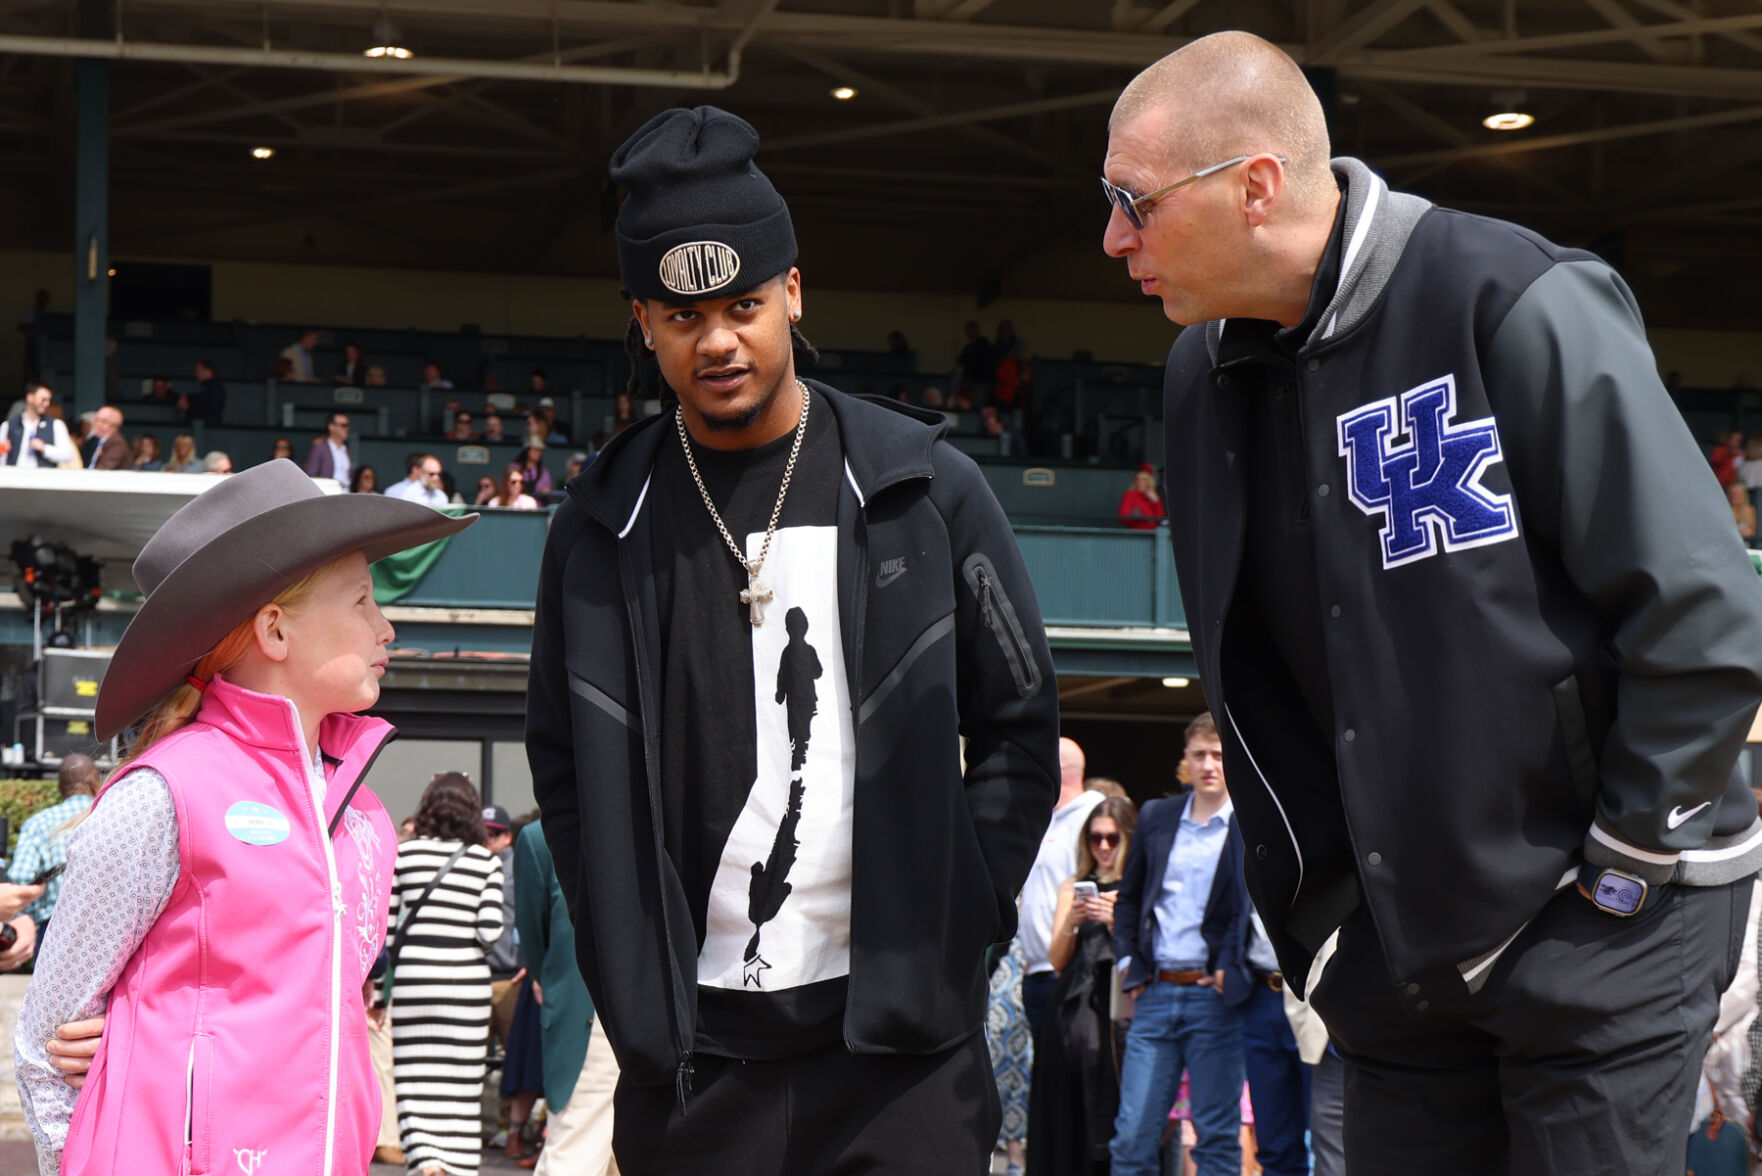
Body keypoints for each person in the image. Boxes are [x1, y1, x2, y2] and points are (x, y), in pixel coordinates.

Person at [1108, 31, 1762, 1176]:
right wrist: (1325, 934)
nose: (1112, 238)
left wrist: (1618, 862)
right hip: (1397, 966)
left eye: (1133, 202)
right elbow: (1258, 677)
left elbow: (1704, 615)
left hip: (1605, 920)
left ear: (1255, 187)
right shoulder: (1198, 376)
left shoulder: (1504, 292)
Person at [526, 105, 1058, 1176]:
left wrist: (966, 917)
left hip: (901, 1060)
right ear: (642, 322)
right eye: (681, 317)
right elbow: (564, 771)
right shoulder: (599, 526)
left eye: (744, 305)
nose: (717, 339)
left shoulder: (923, 489)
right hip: (691, 1070)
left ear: (794, 295)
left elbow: (1018, 726)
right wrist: (627, 955)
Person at [14, 459, 473, 1174]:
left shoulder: (365, 818)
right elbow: (47, 1046)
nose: (387, 628)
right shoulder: (161, 795)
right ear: (275, 631)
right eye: (361, 602)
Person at [1108, 712, 1249, 1176]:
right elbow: (1129, 899)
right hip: (1155, 990)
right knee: (1132, 1136)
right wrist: (1130, 963)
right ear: (1185, 761)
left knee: (1215, 1137)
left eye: (1219, 755)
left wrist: (1229, 963)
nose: (1209, 765)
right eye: (1200, 755)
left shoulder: (1247, 827)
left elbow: (1248, 910)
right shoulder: (1156, 816)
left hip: (1214, 997)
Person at [388, 773, 505, 1176]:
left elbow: (385, 931)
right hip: (465, 987)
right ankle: (455, 1165)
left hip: (414, 982)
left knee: (415, 1081)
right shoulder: (485, 861)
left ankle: (426, 1160)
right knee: (460, 1086)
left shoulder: (406, 854)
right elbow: (490, 931)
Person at [1028, 796, 1138, 1176]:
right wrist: (1073, 920)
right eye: (1095, 839)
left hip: (1118, 1006)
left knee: (1115, 1099)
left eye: (1112, 839)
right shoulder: (1073, 885)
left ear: (1128, 838)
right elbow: (1056, 960)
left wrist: (1115, 921)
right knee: (1065, 1102)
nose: (1104, 847)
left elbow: (1146, 952)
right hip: (1072, 1001)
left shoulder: (1136, 884)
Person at [512, 817, 621, 1176]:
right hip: (589, 1010)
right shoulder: (539, 838)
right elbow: (532, 931)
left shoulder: (538, 837)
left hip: (615, 1007)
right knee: (580, 1142)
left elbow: (533, 930)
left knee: (596, 1146)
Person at [1019, 737, 1106, 1035]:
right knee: (1046, 1078)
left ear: (1055, 769)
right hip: (1037, 973)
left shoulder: (1094, 818)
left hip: (1074, 975)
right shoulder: (1048, 819)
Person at [6, 754, 99, 935]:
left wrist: (32, 918)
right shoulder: (113, 817)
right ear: (97, 783)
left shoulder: (39, 823)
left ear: (60, 787)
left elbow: (20, 876)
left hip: (53, 926)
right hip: (104, 926)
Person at [3, 383, 76, 468]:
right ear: (30, 398)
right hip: (14, 478)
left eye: (49, 400)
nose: (47, 404)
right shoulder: (8, 425)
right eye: (43, 400)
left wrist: (44, 448)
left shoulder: (56, 425)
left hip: (43, 478)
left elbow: (68, 455)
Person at [303, 411, 355, 487]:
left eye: (348, 425)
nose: (347, 428)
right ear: (331, 427)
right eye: (343, 425)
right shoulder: (320, 449)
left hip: (345, 494)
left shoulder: (347, 451)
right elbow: (311, 476)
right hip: (328, 494)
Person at [80, 406, 130, 470]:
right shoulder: (98, 440)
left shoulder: (117, 444)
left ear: (108, 424)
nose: (93, 422)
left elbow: (103, 470)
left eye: (97, 419)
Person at [1118, 464, 1166, 530]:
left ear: (1148, 481)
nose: (1139, 482)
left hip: (1153, 534)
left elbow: (1161, 519)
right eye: (1137, 479)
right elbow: (1122, 518)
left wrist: (1156, 501)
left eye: (1143, 480)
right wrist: (1140, 516)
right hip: (1136, 534)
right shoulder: (1130, 494)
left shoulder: (1154, 495)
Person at [181, 358, 227, 425]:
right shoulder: (205, 388)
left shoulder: (215, 388)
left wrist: (188, 408)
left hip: (209, 430)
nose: (195, 373)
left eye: (198, 370)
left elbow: (208, 409)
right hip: (202, 428)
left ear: (207, 370)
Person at [1730, 481, 1757, 545]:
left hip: (1744, 543)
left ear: (1744, 495)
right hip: (1729, 542)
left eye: (1737, 494)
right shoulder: (1726, 509)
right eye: (1733, 494)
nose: (1735, 496)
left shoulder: (1749, 510)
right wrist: (1740, 530)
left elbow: (1751, 532)